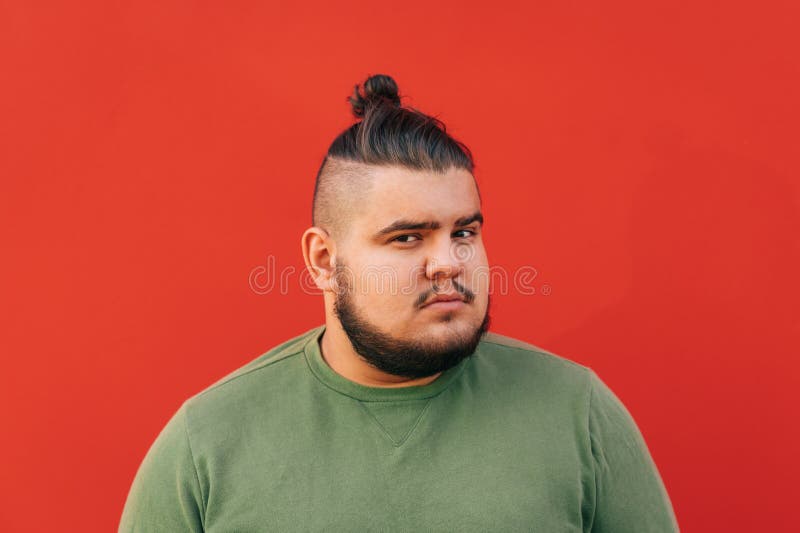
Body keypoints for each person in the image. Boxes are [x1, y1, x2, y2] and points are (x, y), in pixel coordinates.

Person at [119, 74, 679, 532]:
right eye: (407, 238)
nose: (449, 263)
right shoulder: (207, 444)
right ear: (322, 261)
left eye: (464, 232)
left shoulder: (577, 413)